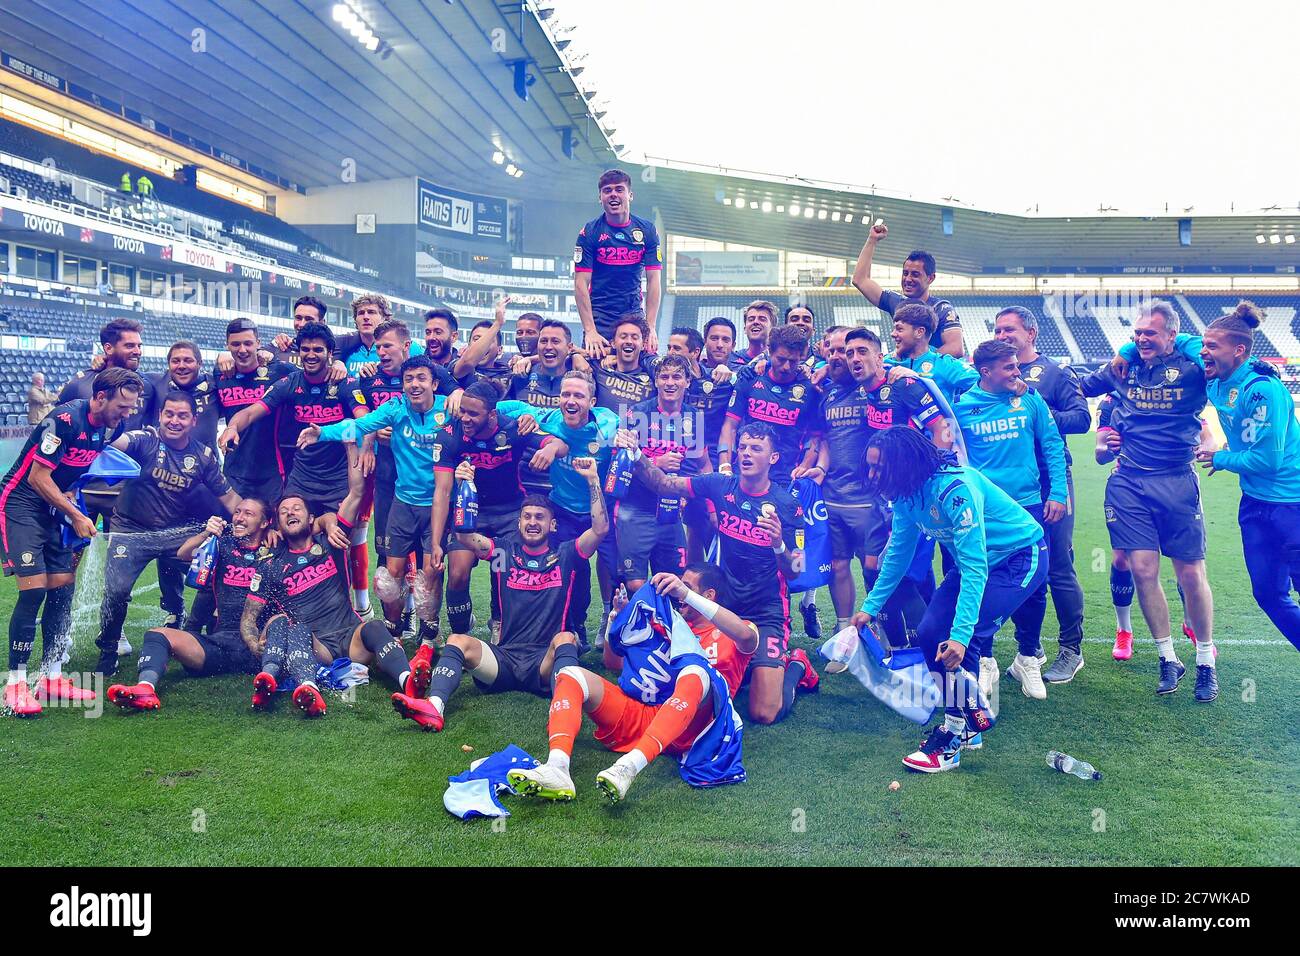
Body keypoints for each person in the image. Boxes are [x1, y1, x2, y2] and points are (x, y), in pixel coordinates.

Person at [852, 427, 1048, 773]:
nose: (871, 476)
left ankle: (954, 734)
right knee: (929, 633)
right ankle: (970, 720)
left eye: (877, 468)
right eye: (869, 467)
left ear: (902, 464)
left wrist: (959, 635)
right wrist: (870, 608)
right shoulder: (906, 495)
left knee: (961, 637)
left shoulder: (956, 491)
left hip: (1019, 558)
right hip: (974, 564)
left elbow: (975, 568)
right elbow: (897, 555)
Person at [619, 421, 818, 725]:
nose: (746, 455)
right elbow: (663, 484)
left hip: (767, 611)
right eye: (743, 448)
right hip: (725, 603)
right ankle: (755, 662)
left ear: (773, 458)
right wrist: (635, 452)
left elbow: (796, 572)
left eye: (756, 449)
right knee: (697, 687)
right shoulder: (719, 485)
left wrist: (778, 544)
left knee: (764, 713)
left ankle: (796, 665)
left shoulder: (788, 506)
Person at [390, 458, 609, 732]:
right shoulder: (503, 553)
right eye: (527, 517)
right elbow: (464, 535)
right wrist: (462, 485)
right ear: (518, 523)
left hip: (544, 662)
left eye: (539, 518)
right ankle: (435, 706)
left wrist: (592, 479)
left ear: (552, 525)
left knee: (567, 639)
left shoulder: (566, 553)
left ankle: (566, 708)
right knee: (458, 640)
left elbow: (600, 529)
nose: (532, 523)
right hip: (504, 659)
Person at [508, 565, 755, 802]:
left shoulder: (733, 631)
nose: (677, 591)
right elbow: (613, 663)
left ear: (708, 594)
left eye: (686, 585)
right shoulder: (670, 624)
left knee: (696, 671)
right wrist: (619, 619)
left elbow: (747, 637)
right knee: (571, 674)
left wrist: (687, 595)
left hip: (700, 729)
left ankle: (627, 768)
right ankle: (557, 768)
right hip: (653, 716)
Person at [1080, 301, 1217, 700]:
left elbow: (1222, 358)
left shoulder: (1194, 370)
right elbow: (1080, 388)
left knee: (1191, 574)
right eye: (1136, 333)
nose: (1141, 339)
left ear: (1172, 336)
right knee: (1141, 568)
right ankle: (1166, 657)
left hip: (1177, 481)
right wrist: (1103, 443)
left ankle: (1206, 661)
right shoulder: (1123, 369)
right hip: (1129, 482)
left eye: (1150, 333)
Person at [2, 368, 144, 716]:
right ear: (100, 397)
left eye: (131, 408)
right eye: (122, 406)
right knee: (34, 589)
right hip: (21, 505)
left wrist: (72, 499)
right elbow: (37, 477)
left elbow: (73, 471)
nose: (126, 414)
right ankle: (15, 684)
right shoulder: (63, 420)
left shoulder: (111, 427)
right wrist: (78, 515)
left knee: (62, 589)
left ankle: (51, 677)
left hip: (54, 507)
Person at [242, 485, 430, 718]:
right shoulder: (271, 565)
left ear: (311, 518)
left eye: (297, 508)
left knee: (375, 626)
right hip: (317, 646)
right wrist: (253, 644)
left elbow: (357, 493)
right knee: (296, 627)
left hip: (352, 638)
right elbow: (249, 617)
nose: (290, 513)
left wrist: (356, 448)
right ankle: (309, 690)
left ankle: (407, 681)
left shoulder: (332, 542)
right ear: (277, 526)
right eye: (284, 512)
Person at [299, 354, 449, 647]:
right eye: (409, 380)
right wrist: (323, 432)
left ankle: (430, 631)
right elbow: (360, 426)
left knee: (430, 570)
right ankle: (394, 627)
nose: (414, 385)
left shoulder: (448, 408)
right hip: (402, 503)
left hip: (436, 505)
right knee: (391, 574)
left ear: (433, 382)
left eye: (421, 378)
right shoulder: (395, 408)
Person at [93, 390, 243, 676]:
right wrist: (109, 419)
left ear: (193, 420)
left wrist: (256, 519)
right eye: (169, 414)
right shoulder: (145, 440)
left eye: (182, 416)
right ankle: (108, 648)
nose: (175, 421)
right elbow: (118, 440)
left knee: (220, 565)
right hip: (131, 532)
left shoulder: (203, 456)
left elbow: (229, 498)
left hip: (174, 532)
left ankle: (191, 625)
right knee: (117, 590)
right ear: (160, 415)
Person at [953, 340, 1065, 700]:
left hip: (1028, 505)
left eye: (1017, 366)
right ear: (985, 372)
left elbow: (1052, 445)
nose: (1018, 372)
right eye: (1009, 368)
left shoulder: (1030, 399)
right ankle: (985, 659)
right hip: (984, 513)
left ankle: (1027, 657)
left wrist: (1059, 493)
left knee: (1034, 584)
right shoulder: (962, 408)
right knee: (980, 582)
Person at [819, 328, 947, 645]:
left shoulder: (902, 384)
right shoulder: (870, 391)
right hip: (888, 498)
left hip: (917, 493)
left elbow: (941, 426)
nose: (854, 359)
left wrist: (937, 478)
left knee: (896, 571)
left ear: (880, 356)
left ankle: (929, 643)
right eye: (850, 354)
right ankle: (908, 646)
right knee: (907, 572)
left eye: (862, 351)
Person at [1190, 302, 1300, 656]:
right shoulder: (1217, 375)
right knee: (1268, 593)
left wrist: (1219, 457)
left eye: (1212, 347)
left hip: (1292, 504)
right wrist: (1127, 352)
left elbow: (1268, 460)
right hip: (1255, 504)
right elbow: (1174, 338)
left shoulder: (1262, 389)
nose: (1204, 352)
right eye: (1204, 345)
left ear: (1238, 351)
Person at [992, 306, 1091, 683]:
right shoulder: (996, 375)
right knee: (1019, 565)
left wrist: (1038, 409)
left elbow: (1082, 419)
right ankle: (1030, 647)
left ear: (1031, 333)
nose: (1003, 336)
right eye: (998, 330)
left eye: (1010, 330)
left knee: (1059, 567)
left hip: (1051, 481)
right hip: (1013, 486)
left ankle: (1071, 649)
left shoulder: (1054, 373)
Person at [105, 498, 275, 711]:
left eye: (248, 514)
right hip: (220, 644)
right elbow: (183, 553)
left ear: (265, 522)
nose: (239, 518)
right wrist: (207, 533)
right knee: (158, 634)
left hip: (260, 647)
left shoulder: (275, 549)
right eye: (238, 512)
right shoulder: (223, 544)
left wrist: (278, 534)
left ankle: (271, 676)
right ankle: (145, 687)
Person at [496, 370, 620, 644]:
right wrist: (456, 395)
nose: (570, 400)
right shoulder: (548, 419)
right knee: (572, 572)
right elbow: (500, 405)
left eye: (578, 395)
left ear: (592, 401)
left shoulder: (608, 423)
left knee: (617, 571)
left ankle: (613, 622)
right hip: (563, 512)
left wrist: (626, 439)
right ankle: (576, 629)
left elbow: (625, 438)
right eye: (566, 394)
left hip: (600, 512)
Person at [432, 380, 556, 649]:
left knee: (502, 570)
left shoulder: (513, 428)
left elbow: (557, 443)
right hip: (469, 510)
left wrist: (550, 448)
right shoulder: (449, 434)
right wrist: (434, 543)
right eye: (463, 410)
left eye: (472, 414)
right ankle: (461, 634)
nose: (464, 417)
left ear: (491, 415)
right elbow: (442, 491)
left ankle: (498, 624)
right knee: (458, 573)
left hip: (509, 512)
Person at [350, 321, 459, 619]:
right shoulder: (370, 382)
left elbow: (470, 402)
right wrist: (366, 437)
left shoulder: (442, 392)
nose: (382, 352)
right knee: (388, 567)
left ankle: (428, 626)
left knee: (430, 566)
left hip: (434, 493)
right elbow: (364, 420)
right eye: (378, 347)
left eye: (387, 345)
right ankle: (396, 621)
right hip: (390, 486)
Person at [218, 323, 370, 523]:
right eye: (305, 349)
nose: (311, 355)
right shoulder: (290, 383)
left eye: (318, 350)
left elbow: (365, 419)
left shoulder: (345, 384)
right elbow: (250, 412)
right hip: (301, 480)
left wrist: (366, 447)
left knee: (334, 544)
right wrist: (232, 428)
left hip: (337, 481)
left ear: (330, 353)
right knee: (290, 537)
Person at [616, 353, 706, 594]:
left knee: (675, 582)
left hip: (671, 511)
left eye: (677, 377)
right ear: (655, 381)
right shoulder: (635, 413)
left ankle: (667, 630)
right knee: (635, 584)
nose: (670, 382)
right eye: (664, 377)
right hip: (637, 509)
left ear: (687, 381)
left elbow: (702, 463)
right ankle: (627, 624)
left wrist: (710, 501)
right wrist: (657, 461)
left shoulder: (693, 418)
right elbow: (621, 461)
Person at [58, 318, 156, 538]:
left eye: (139, 345)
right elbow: (57, 429)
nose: (138, 351)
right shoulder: (80, 384)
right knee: (70, 555)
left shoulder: (147, 385)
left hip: (127, 490)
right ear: (108, 348)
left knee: (120, 561)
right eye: (130, 346)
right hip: (82, 487)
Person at [718, 324, 822, 489]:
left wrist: (805, 466)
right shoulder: (750, 378)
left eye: (793, 361)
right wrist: (725, 468)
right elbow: (729, 426)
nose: (787, 366)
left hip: (786, 479)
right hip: (743, 474)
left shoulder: (811, 388)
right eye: (781, 359)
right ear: (769, 352)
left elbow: (815, 436)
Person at [574, 168, 661, 356]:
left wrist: (651, 326)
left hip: (633, 313)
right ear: (600, 197)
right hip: (600, 317)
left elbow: (654, 279)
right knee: (592, 370)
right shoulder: (589, 232)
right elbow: (581, 282)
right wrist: (590, 330)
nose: (613, 194)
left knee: (641, 369)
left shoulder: (647, 230)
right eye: (607, 190)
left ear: (630, 195)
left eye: (619, 189)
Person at [212, 318, 298, 503]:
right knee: (234, 528)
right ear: (227, 345)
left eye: (248, 343)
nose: (242, 350)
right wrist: (219, 357)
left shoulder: (279, 371)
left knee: (272, 530)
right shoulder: (220, 373)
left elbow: (311, 372)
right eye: (235, 344)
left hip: (272, 471)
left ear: (258, 344)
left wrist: (338, 366)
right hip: (234, 471)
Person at [852, 221, 964, 357]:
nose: (908, 279)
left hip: (932, 375)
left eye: (915, 274)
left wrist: (917, 365)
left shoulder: (941, 308)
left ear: (931, 278)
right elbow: (860, 280)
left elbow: (956, 348)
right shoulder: (897, 302)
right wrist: (872, 240)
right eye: (905, 273)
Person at [882, 303, 977, 406]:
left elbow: (984, 384)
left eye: (899, 329)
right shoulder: (885, 362)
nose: (893, 334)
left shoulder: (944, 364)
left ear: (919, 332)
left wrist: (958, 408)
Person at [594, 313, 658, 412]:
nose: (629, 341)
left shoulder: (653, 378)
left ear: (643, 345)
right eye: (623, 337)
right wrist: (575, 355)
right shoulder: (600, 369)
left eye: (635, 337)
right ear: (613, 343)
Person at [730, 301, 774, 366]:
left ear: (772, 329)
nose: (755, 322)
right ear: (745, 329)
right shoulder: (731, 359)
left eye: (762, 319)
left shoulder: (779, 361)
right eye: (751, 319)